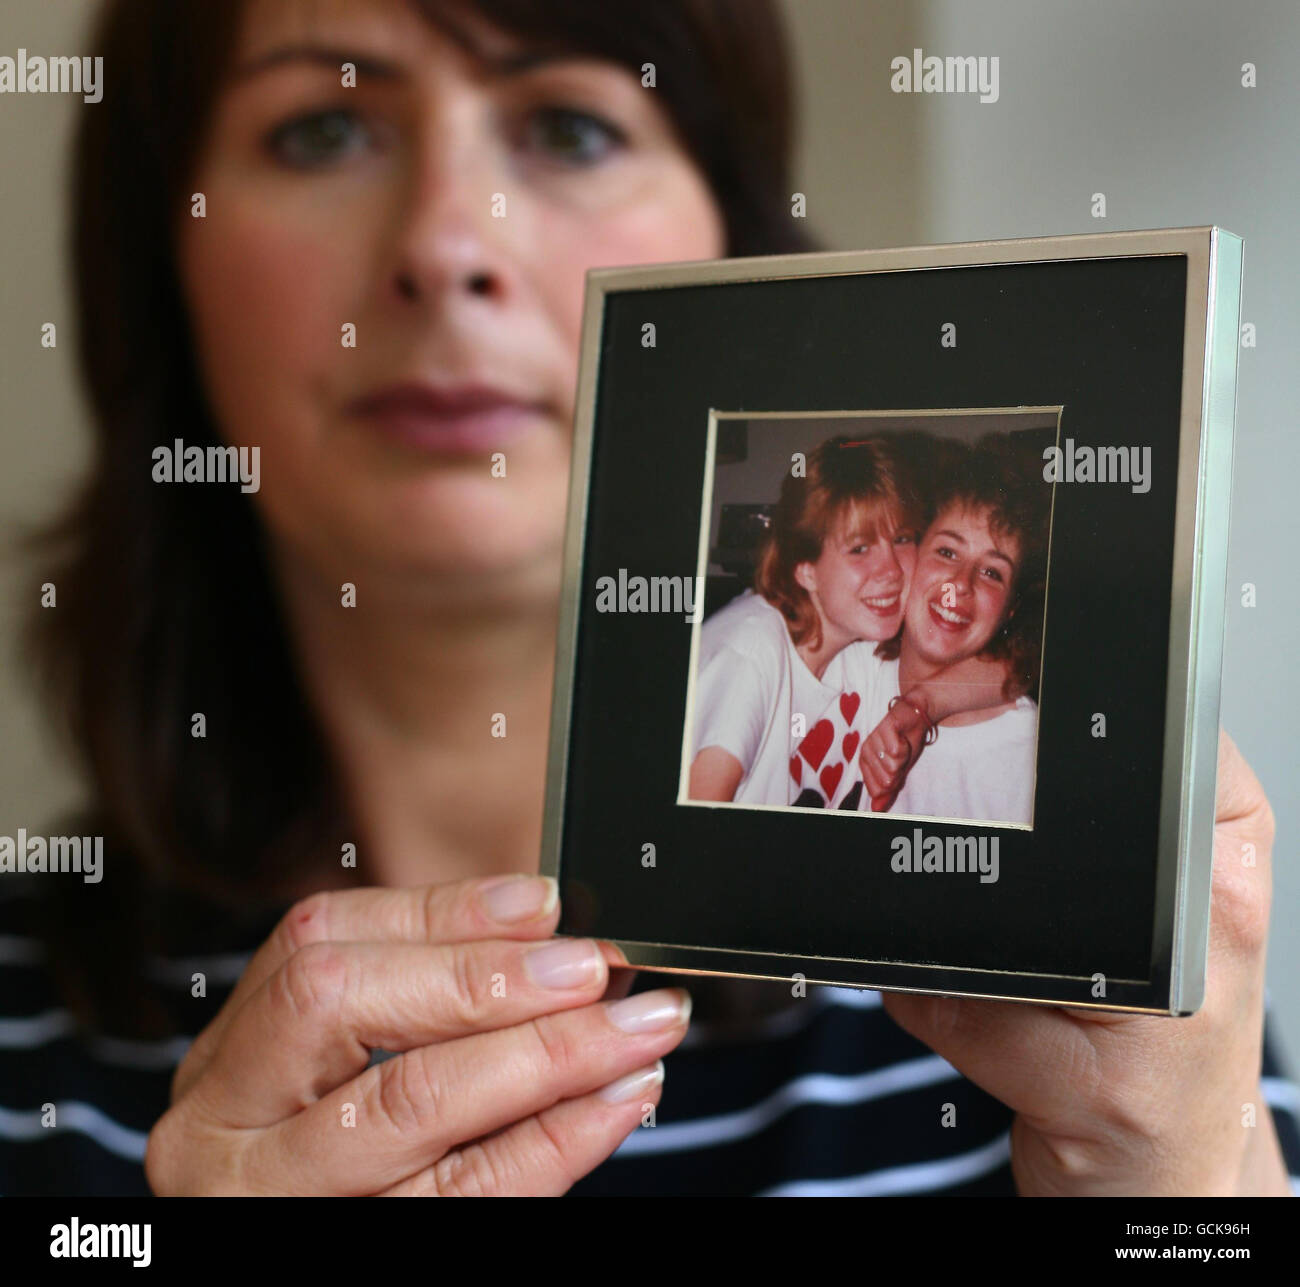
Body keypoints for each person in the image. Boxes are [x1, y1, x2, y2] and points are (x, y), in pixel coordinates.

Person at [2, 0, 1296, 1197]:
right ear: (162, 263)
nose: (446, 245)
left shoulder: (1092, 1035)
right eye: (322, 126)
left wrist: (1190, 1193)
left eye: (570, 125)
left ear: (731, 245)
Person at [687, 435, 920, 805]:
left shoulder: (859, 652)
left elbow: (992, 671)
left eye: (903, 539)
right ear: (805, 569)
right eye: (859, 548)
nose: (891, 570)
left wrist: (921, 712)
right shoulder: (750, 654)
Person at [855, 434, 1048, 825]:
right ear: (911, 556)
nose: (961, 583)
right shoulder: (847, 668)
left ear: (1010, 610)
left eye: (993, 572)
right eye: (947, 551)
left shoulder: (1025, 749)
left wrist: (922, 705)